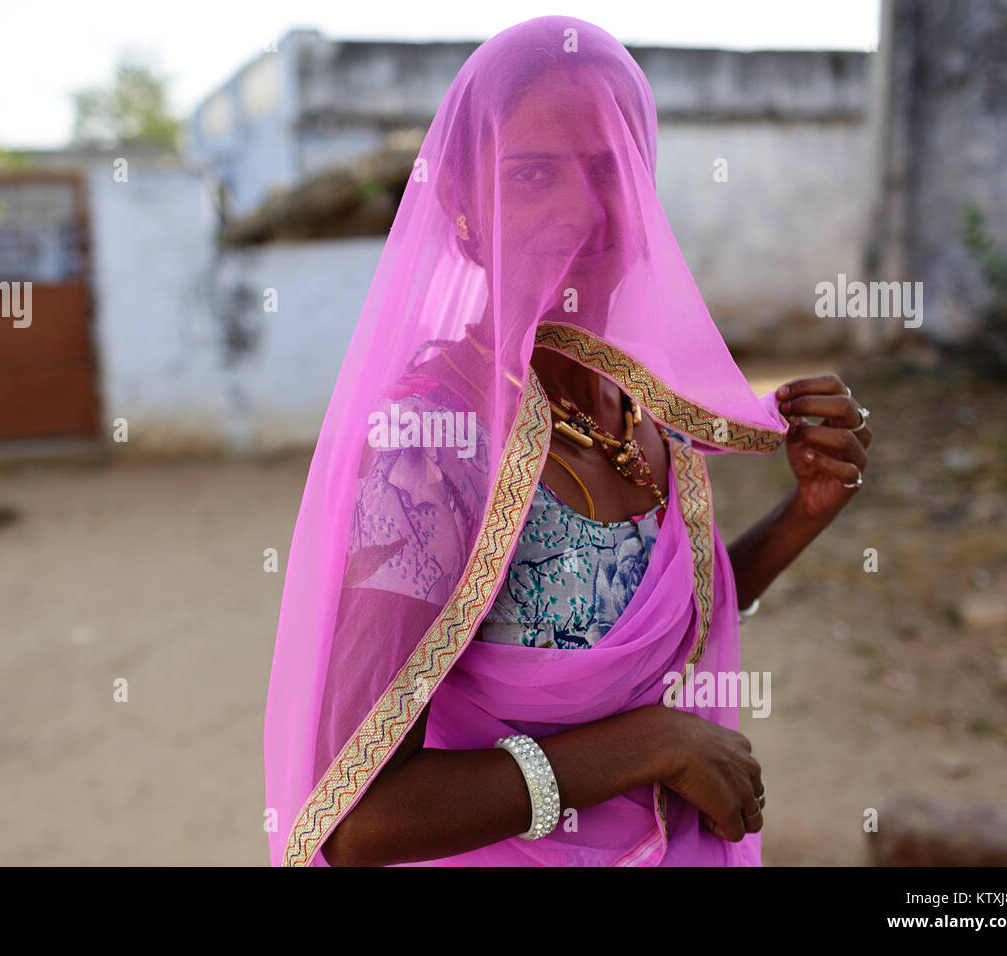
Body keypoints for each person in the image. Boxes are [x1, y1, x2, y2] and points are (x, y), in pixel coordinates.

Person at [264, 15, 873, 867]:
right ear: (463, 208)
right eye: (533, 174)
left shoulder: (640, 401)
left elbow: (648, 618)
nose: (585, 211)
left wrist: (801, 515)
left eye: (607, 169)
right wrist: (646, 747)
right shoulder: (431, 448)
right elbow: (360, 818)